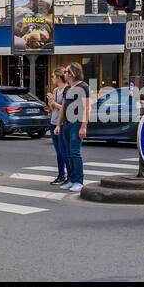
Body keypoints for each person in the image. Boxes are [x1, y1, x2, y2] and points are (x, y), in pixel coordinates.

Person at [58, 63, 89, 192]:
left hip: (76, 123)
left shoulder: (83, 87)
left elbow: (86, 107)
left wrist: (83, 126)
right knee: (68, 153)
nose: (64, 73)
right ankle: (71, 179)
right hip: (66, 123)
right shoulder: (67, 88)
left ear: (73, 73)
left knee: (74, 152)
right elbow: (63, 107)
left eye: (66, 71)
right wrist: (58, 124)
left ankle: (78, 181)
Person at [45, 69, 69, 186]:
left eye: (53, 76)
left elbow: (65, 108)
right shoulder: (55, 90)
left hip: (63, 123)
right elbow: (52, 109)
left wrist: (54, 104)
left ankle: (69, 176)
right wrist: (50, 102)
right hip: (53, 121)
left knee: (63, 151)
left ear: (59, 77)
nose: (52, 78)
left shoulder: (67, 90)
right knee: (58, 152)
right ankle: (60, 175)